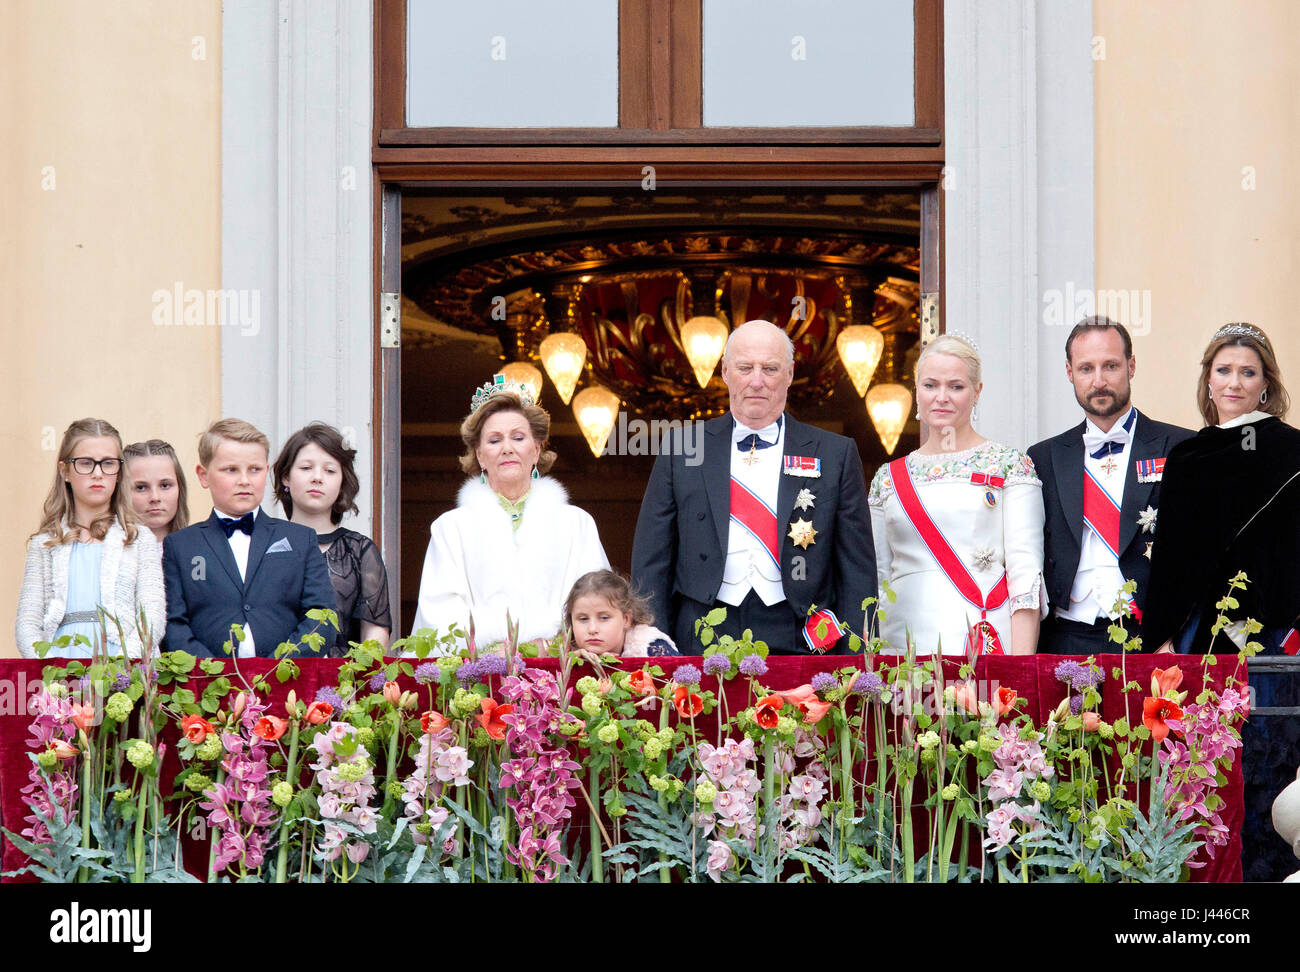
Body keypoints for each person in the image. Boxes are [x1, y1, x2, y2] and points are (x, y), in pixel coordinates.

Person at [631, 319, 876, 655]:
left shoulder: (835, 453)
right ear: (725, 371)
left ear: (789, 374)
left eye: (770, 368)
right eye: (745, 368)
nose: (757, 381)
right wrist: (653, 644)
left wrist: (855, 659)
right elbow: (652, 560)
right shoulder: (683, 447)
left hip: (800, 633)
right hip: (703, 628)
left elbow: (856, 568)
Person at [869, 334, 1045, 656]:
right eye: (930, 385)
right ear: (916, 391)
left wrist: (1020, 671)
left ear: (977, 392)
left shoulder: (1010, 465)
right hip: (901, 646)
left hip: (985, 641)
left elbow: (1026, 577)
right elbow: (878, 581)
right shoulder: (887, 479)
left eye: (956, 386)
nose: (942, 397)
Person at [1027, 317, 1194, 655]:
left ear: (1131, 366)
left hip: (1151, 639)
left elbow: (1195, 550)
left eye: (1111, 366)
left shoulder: (1181, 448)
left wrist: (1172, 636)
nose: (1099, 381)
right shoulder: (1043, 457)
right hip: (1065, 640)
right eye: (1086, 368)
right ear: (1069, 372)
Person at [410, 376, 609, 651]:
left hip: (560, 668)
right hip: (480, 677)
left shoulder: (576, 523)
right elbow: (440, 612)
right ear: (479, 455)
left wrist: (550, 648)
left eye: (518, 437)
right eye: (494, 440)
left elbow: (598, 601)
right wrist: (493, 654)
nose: (507, 448)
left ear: (537, 450)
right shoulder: (450, 527)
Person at [1143, 323, 1300, 655]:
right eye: (1224, 370)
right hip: (1194, 634)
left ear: (1265, 385)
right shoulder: (1188, 458)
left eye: (1248, 373)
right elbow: (1170, 561)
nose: (1234, 383)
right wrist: (1163, 637)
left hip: (1272, 637)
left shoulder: (1292, 450)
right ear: (1209, 380)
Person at [161, 418, 337, 658]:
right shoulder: (180, 545)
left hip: (287, 683)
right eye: (231, 470)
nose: (244, 480)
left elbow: (322, 615)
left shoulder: (301, 540)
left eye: (254, 469)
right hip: (206, 686)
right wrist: (212, 673)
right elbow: (173, 624)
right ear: (203, 475)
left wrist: (278, 667)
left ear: (266, 472)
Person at [16, 418, 165, 658]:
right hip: (59, 665)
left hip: (126, 665)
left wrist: (124, 667)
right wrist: (46, 667)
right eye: (85, 463)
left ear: (119, 472)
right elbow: (28, 622)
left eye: (108, 463)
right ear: (65, 471)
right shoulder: (45, 543)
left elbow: (152, 616)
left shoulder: (139, 539)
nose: (98, 473)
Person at [272, 422, 392, 653]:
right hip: (274, 677)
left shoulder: (360, 550)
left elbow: (375, 632)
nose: (317, 478)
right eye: (306, 468)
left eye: (330, 470)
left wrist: (353, 680)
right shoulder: (265, 544)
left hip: (343, 683)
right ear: (286, 476)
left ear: (342, 481)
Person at [565, 569, 679, 662]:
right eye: (583, 619)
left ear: (626, 619)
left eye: (604, 618)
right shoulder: (564, 656)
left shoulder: (652, 649)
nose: (592, 629)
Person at [124, 439, 190, 542]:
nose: (155, 497)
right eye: (141, 487)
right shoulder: (107, 551)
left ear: (180, 488)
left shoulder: (200, 548)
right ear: (122, 492)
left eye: (165, 485)